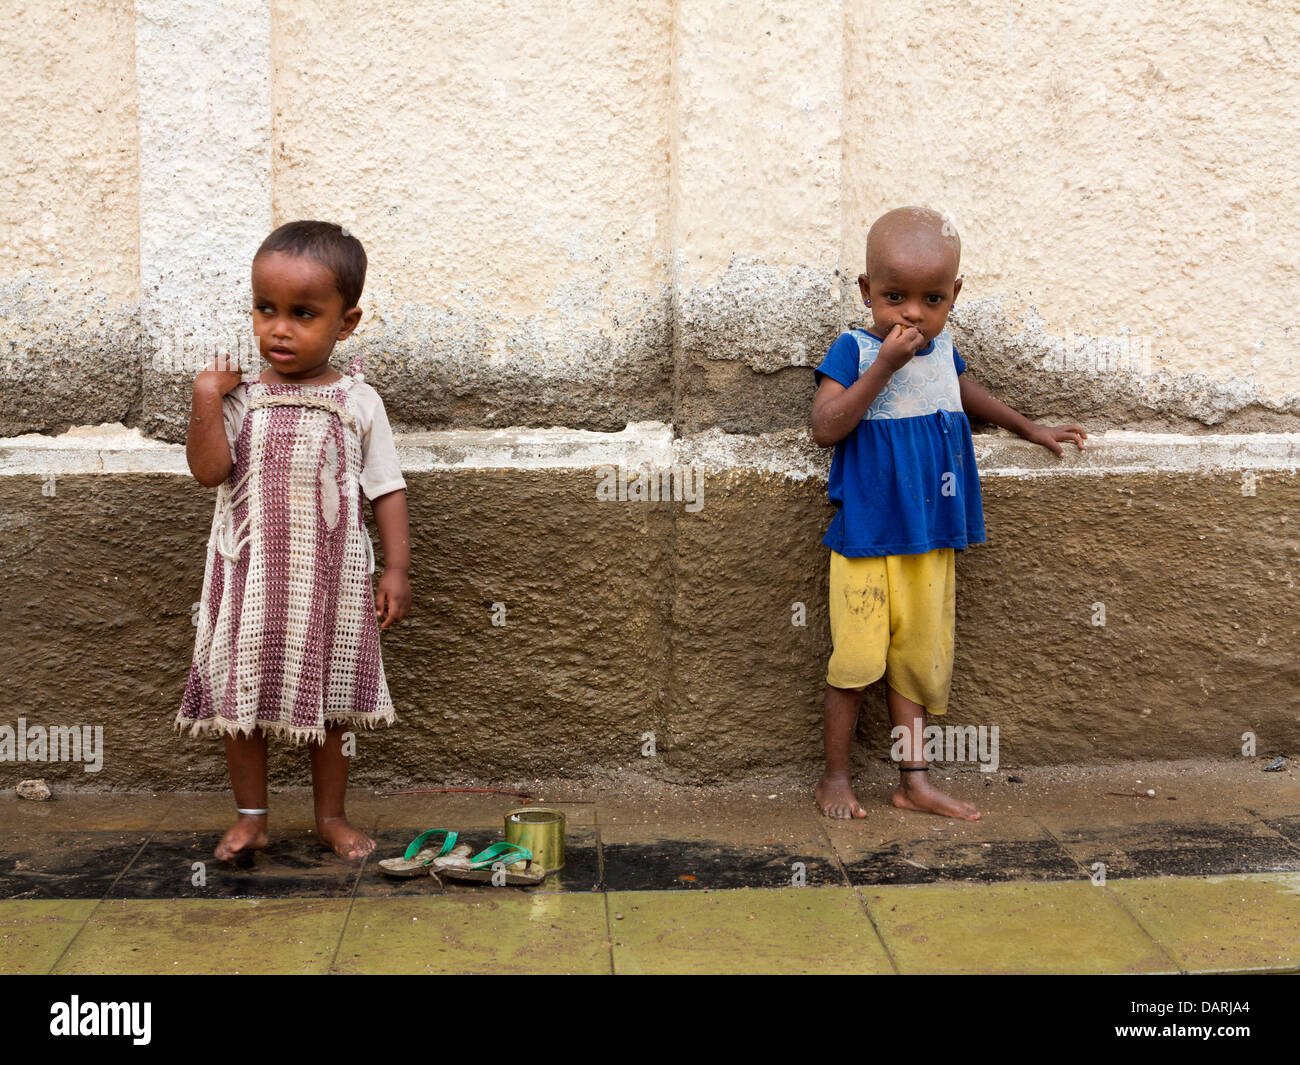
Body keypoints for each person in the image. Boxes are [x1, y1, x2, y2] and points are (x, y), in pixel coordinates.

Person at [811, 207, 1086, 821]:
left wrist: (1028, 426)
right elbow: (826, 428)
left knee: (915, 667)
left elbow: (969, 396)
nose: (912, 313)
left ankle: (914, 781)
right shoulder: (855, 350)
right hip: (866, 538)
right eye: (894, 297)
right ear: (866, 293)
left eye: (931, 298)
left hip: (930, 538)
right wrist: (885, 364)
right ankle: (834, 776)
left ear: (954, 296)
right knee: (854, 664)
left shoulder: (942, 354)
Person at [178, 220, 411, 859]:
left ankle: (330, 818)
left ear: (347, 321)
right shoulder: (239, 397)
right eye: (265, 309)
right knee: (240, 698)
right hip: (248, 579)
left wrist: (395, 570)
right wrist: (205, 397)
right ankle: (251, 817)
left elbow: (385, 487)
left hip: (331, 581)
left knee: (330, 703)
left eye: (303, 314)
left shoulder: (358, 401)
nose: (278, 328)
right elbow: (208, 472)